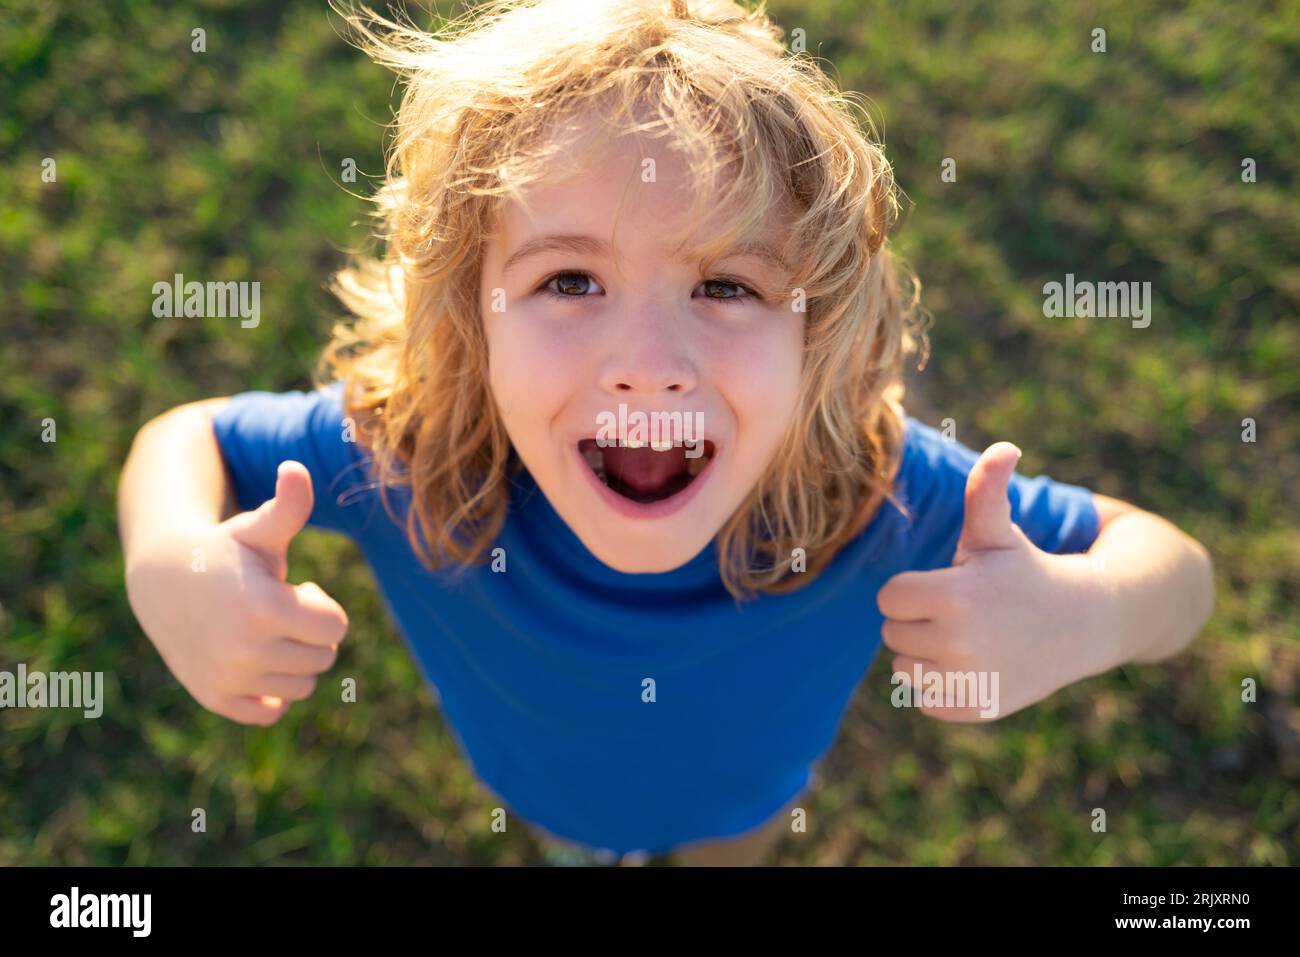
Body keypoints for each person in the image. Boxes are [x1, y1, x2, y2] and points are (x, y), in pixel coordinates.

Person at [118, 0, 1214, 865]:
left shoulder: (875, 495)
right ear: (469, 313)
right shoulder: (407, 457)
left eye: (727, 286)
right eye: (571, 278)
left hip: (745, 804)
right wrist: (170, 556)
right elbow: (190, 440)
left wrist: (1087, 614)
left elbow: (1180, 576)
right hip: (528, 789)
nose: (648, 359)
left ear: (816, 330)